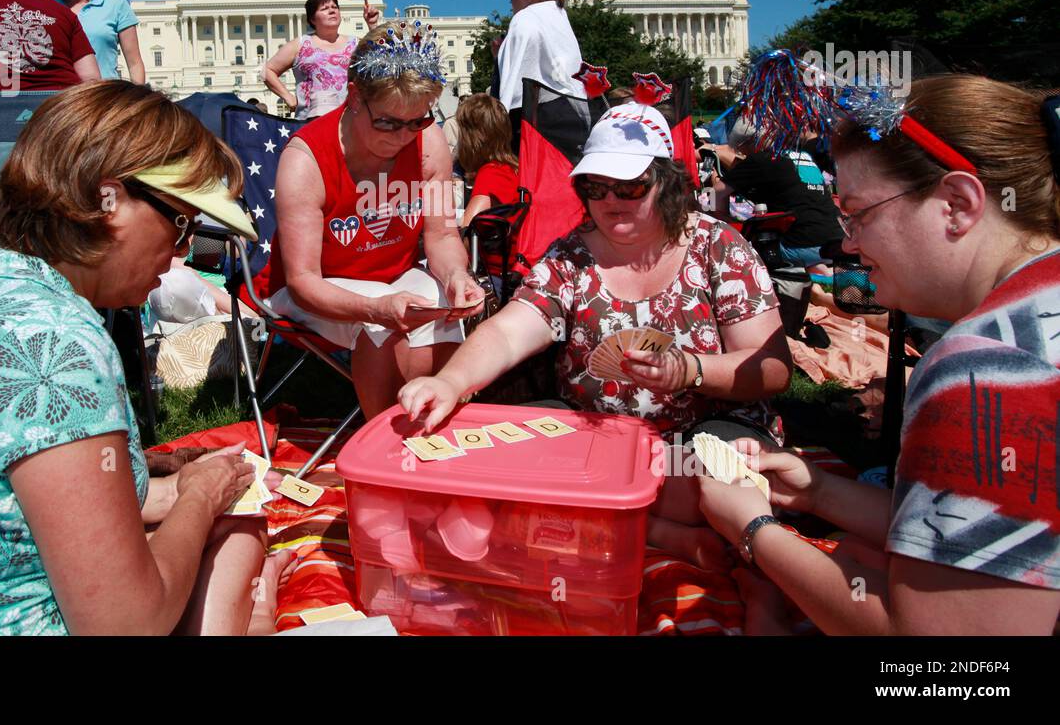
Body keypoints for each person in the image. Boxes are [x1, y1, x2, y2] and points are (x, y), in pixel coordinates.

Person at [0, 81, 294, 635]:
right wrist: (200, 496)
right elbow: (125, 625)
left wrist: (137, 467)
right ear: (105, 198)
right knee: (236, 533)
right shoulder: (55, 343)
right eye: (181, 222)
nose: (182, 251)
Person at [696, 74, 1060, 635]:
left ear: (958, 204)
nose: (847, 242)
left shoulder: (987, 366)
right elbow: (982, 536)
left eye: (859, 213)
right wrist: (819, 490)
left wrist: (752, 529)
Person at [400, 102, 793, 565]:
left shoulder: (718, 247)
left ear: (666, 180)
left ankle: (612, 516)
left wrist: (691, 370)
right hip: (597, 434)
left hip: (702, 433)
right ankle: (656, 529)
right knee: (503, 450)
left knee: (717, 479)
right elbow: (510, 331)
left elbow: (770, 370)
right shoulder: (571, 255)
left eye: (629, 185)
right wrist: (450, 380)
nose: (610, 200)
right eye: (595, 186)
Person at [258, 26, 487, 419]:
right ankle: (386, 438)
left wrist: (456, 278)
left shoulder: (427, 142)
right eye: (387, 122)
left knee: (445, 305)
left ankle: (437, 430)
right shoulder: (306, 160)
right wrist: (375, 308)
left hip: (391, 275)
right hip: (311, 287)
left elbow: (442, 233)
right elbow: (302, 281)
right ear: (354, 97)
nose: (402, 136)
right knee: (382, 326)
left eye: (416, 121)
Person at [491, 0, 602, 163]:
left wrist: (498, 124)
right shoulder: (559, 17)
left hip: (535, 116)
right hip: (573, 111)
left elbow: (514, 76)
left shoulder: (524, 18)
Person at [709, 117, 844, 269]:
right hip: (835, 237)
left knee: (747, 254)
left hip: (801, 243)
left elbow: (716, 193)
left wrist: (723, 222)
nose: (742, 153)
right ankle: (817, 287)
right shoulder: (802, 156)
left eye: (740, 148)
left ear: (749, 141)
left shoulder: (760, 159)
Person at [262, 0, 380, 119]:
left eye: (335, 7)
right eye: (325, 8)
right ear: (312, 19)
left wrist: (372, 26)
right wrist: (288, 97)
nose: (332, 11)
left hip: (349, 122)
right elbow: (267, 71)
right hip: (312, 121)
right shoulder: (300, 44)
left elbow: (382, 64)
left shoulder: (356, 44)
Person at [455, 93, 521, 293]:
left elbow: (468, 231)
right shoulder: (513, 167)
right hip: (513, 272)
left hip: (496, 277)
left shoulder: (491, 173)